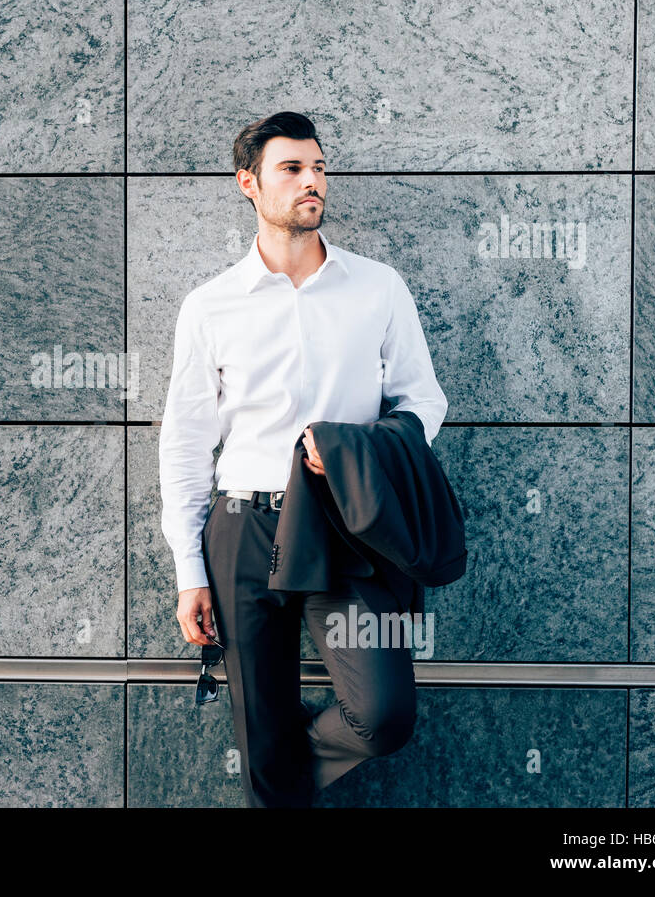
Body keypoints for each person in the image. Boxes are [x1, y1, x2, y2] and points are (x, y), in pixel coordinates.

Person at [158, 111, 448, 806]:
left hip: (342, 526)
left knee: (383, 714)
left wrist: (355, 455)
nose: (312, 180)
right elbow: (187, 441)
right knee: (259, 732)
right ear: (248, 184)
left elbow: (424, 401)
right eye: (292, 168)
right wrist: (188, 571)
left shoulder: (377, 287)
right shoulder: (211, 305)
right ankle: (276, 773)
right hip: (242, 529)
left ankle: (282, 772)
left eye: (318, 166)